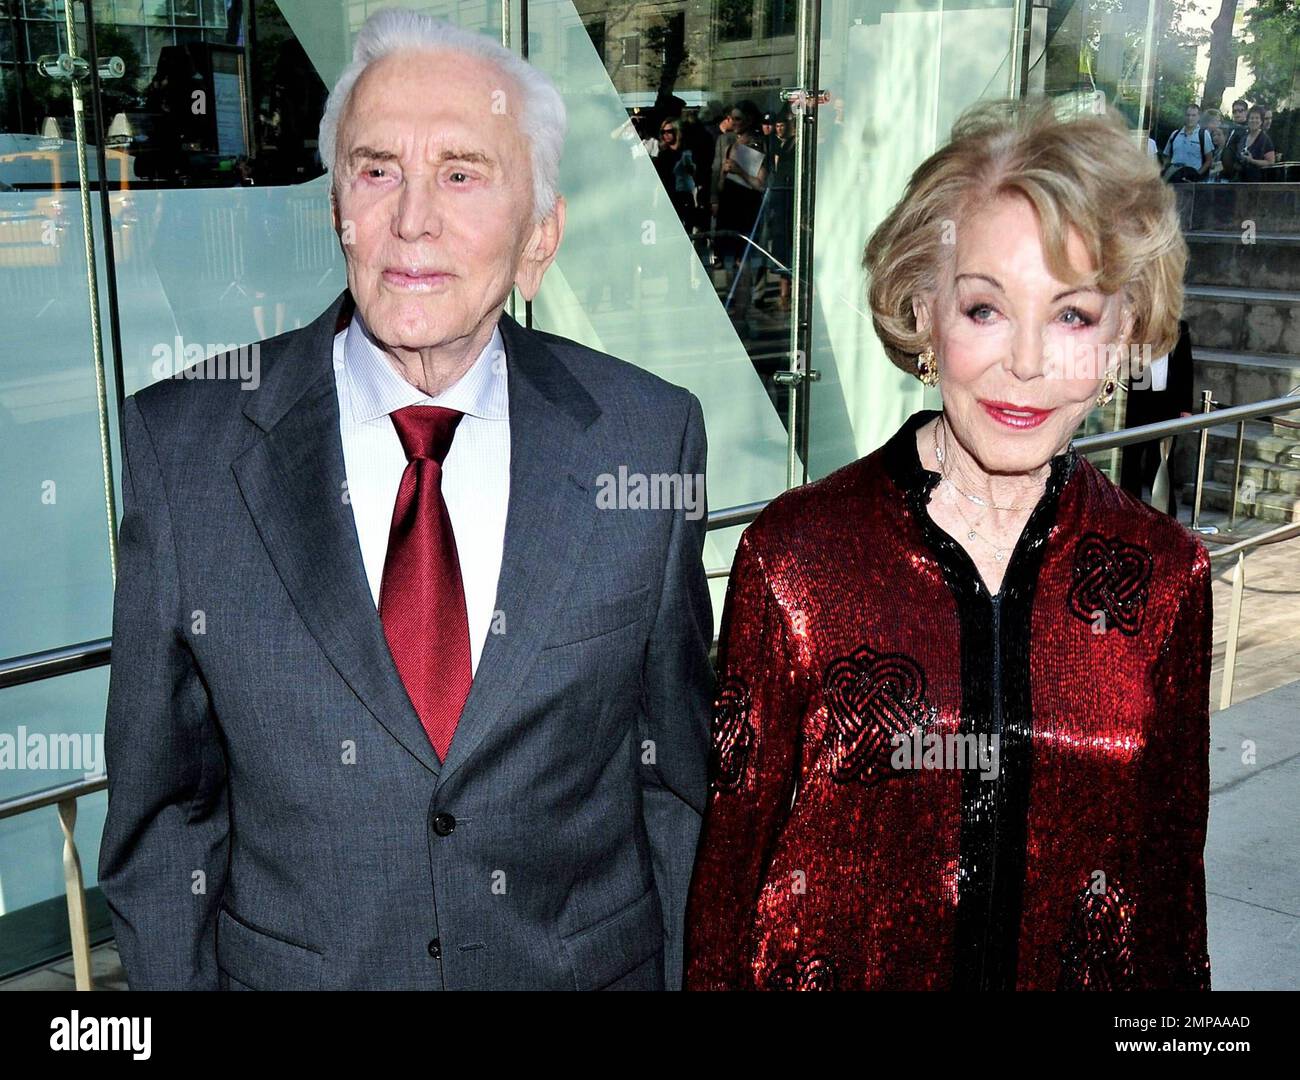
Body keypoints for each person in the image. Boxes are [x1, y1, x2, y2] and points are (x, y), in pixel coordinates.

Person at [99, 9, 714, 991]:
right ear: (338, 206)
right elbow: (163, 813)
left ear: (538, 238)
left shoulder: (648, 438)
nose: (412, 218)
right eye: (377, 169)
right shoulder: (186, 448)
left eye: (463, 173)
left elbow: (675, 785)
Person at [684, 97, 1211, 991]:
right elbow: (726, 892)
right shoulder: (797, 561)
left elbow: (1170, 901)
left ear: (1125, 334)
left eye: (1075, 316)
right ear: (925, 312)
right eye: (985, 309)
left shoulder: (1166, 578)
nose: (1029, 363)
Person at [1121, 319, 1194, 516]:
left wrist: (1186, 407)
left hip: (1167, 403)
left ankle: (1166, 517)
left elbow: (1186, 367)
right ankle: (1129, 512)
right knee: (1131, 460)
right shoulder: (1138, 325)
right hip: (1138, 401)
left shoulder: (1179, 328)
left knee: (1162, 461)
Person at [1160, 103, 1212, 182]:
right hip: (1173, 179)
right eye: (1188, 115)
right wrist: (1166, 171)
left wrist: (1196, 176)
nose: (1190, 118)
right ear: (1184, 116)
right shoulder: (1175, 134)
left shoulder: (1203, 134)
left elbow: (1209, 160)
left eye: (1193, 115)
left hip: (1192, 181)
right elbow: (1167, 157)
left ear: (1198, 117)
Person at [1235, 105, 1276, 182]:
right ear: (1248, 120)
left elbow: (1271, 162)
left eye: (1257, 118)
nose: (1254, 120)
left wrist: (1252, 161)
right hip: (1241, 182)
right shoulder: (1243, 138)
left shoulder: (1265, 139)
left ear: (1261, 121)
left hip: (1258, 184)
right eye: (1251, 118)